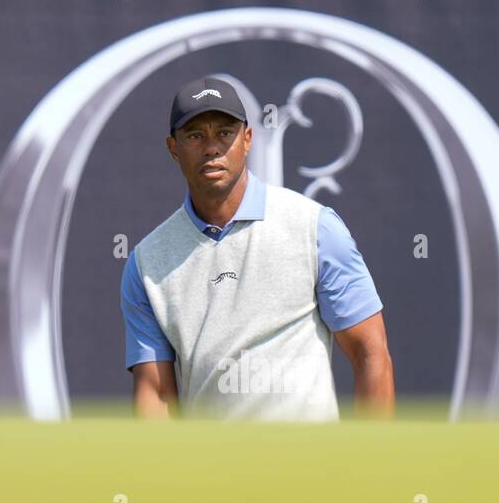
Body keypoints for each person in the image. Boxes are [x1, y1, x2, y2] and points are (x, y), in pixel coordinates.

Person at [120, 75, 394, 421]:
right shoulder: (146, 263)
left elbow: (371, 353)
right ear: (173, 148)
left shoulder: (316, 227)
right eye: (194, 135)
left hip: (311, 469)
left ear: (247, 140)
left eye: (224, 133)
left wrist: (370, 467)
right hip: (210, 472)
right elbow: (156, 394)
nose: (211, 148)